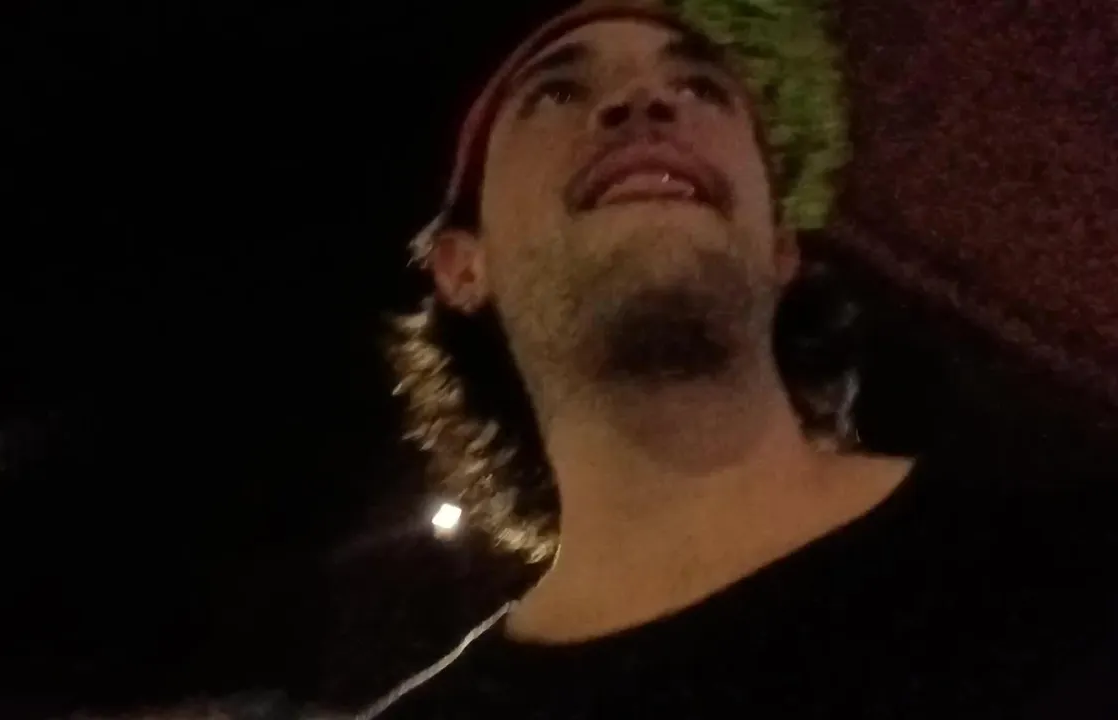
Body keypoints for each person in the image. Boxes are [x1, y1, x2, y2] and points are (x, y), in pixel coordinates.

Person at [362, 0, 1118, 718]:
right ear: (464, 266)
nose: (645, 100)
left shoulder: (1078, 560)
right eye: (556, 90)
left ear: (780, 247)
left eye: (701, 87)